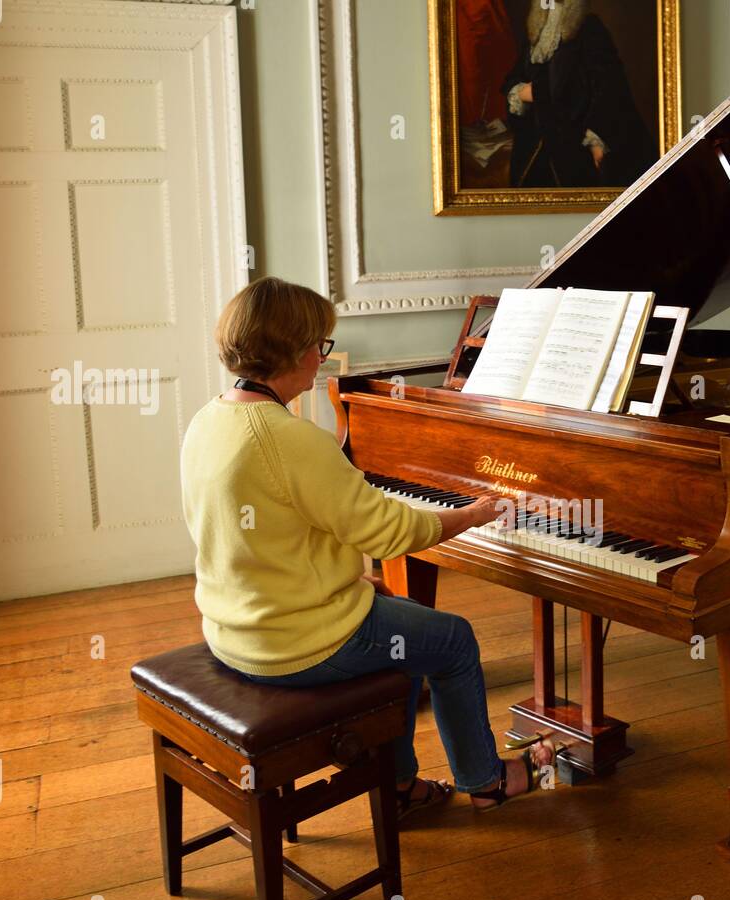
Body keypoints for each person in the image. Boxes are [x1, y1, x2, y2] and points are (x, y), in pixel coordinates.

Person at [179, 277, 556, 818]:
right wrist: (474, 514)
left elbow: (258, 536)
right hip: (292, 645)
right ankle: (487, 780)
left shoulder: (208, 419)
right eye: (319, 345)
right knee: (452, 640)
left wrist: (347, 584)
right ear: (295, 350)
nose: (321, 358)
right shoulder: (291, 439)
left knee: (400, 630)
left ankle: (399, 787)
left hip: (233, 629)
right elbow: (392, 533)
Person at [501, 0, 656, 188]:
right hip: (535, 142)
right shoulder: (535, 32)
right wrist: (519, 92)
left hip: (573, 140)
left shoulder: (590, 28)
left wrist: (597, 138)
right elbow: (516, 76)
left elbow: (609, 88)